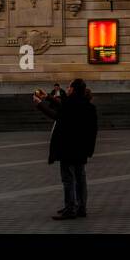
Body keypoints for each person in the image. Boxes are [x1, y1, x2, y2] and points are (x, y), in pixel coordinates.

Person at [33, 79, 98, 220]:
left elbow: (57, 115)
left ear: (73, 90)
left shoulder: (70, 105)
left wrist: (40, 104)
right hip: (81, 149)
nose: (67, 88)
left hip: (68, 149)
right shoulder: (88, 106)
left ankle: (70, 209)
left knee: (68, 179)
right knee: (81, 178)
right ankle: (81, 208)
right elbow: (93, 129)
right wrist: (47, 97)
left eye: (69, 87)